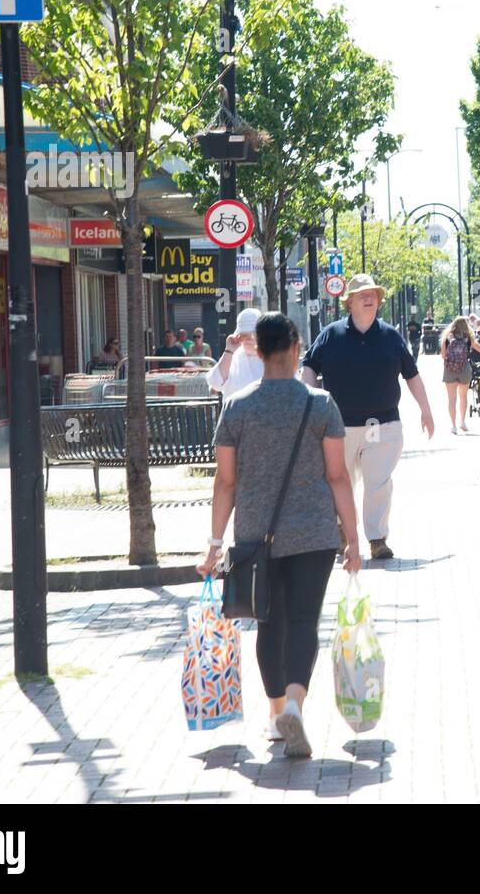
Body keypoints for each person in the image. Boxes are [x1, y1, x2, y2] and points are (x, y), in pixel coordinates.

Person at [197, 312, 361, 757]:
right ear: (293, 350)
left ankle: (275, 718)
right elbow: (338, 476)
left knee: (269, 623)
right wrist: (353, 538)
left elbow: (224, 482)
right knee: (305, 620)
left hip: (255, 539)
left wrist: (214, 544)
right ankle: (295, 703)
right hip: (314, 534)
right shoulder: (321, 404)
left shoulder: (237, 406)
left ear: (261, 351)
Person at [299, 274, 436, 561]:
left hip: (383, 425)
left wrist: (426, 409)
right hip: (339, 425)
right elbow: (309, 367)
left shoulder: (391, 336)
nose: (369, 297)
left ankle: (376, 538)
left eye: (373, 293)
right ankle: (340, 531)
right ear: (349, 302)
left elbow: (411, 375)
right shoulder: (330, 334)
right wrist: (308, 402)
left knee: (378, 482)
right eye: (362, 294)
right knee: (341, 480)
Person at [440, 315, 480, 434]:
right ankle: (462, 421)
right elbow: (479, 348)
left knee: (452, 399)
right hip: (464, 369)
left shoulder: (447, 337)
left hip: (449, 369)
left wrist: (452, 362)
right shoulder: (468, 337)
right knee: (463, 396)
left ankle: (453, 426)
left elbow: (443, 355)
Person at [207, 308, 265, 397]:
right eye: (245, 335)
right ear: (238, 336)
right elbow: (215, 383)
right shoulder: (232, 357)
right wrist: (229, 350)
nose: (250, 339)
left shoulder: (273, 357)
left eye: (254, 334)